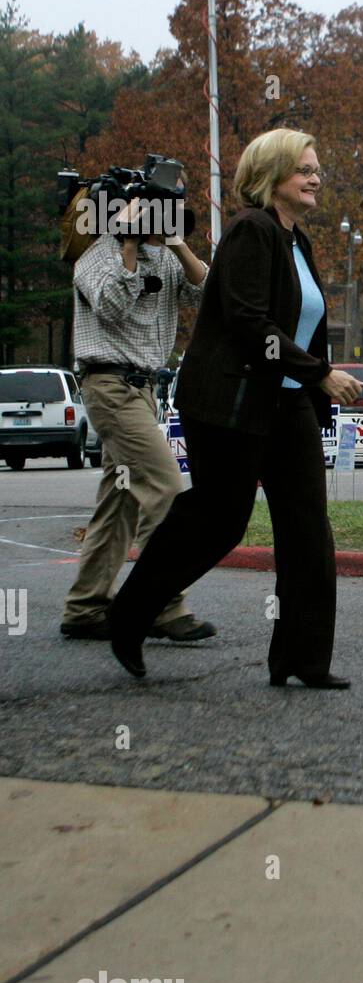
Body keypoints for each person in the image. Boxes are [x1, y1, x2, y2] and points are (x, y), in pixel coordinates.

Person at [106, 128, 363, 687]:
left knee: (308, 531)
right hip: (231, 402)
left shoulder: (299, 241)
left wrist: (311, 383)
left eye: (318, 168)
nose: (316, 177)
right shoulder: (253, 231)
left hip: (287, 405)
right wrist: (320, 374)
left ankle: (301, 660)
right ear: (272, 176)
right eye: (304, 169)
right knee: (219, 520)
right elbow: (250, 325)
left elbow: (299, 325)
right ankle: (128, 615)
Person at [62, 193, 216, 645]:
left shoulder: (165, 257)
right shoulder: (95, 257)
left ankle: (85, 607)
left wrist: (177, 243)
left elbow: (208, 292)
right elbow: (111, 307)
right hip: (109, 385)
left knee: (121, 499)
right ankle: (164, 606)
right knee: (166, 487)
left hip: (145, 388)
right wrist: (127, 244)